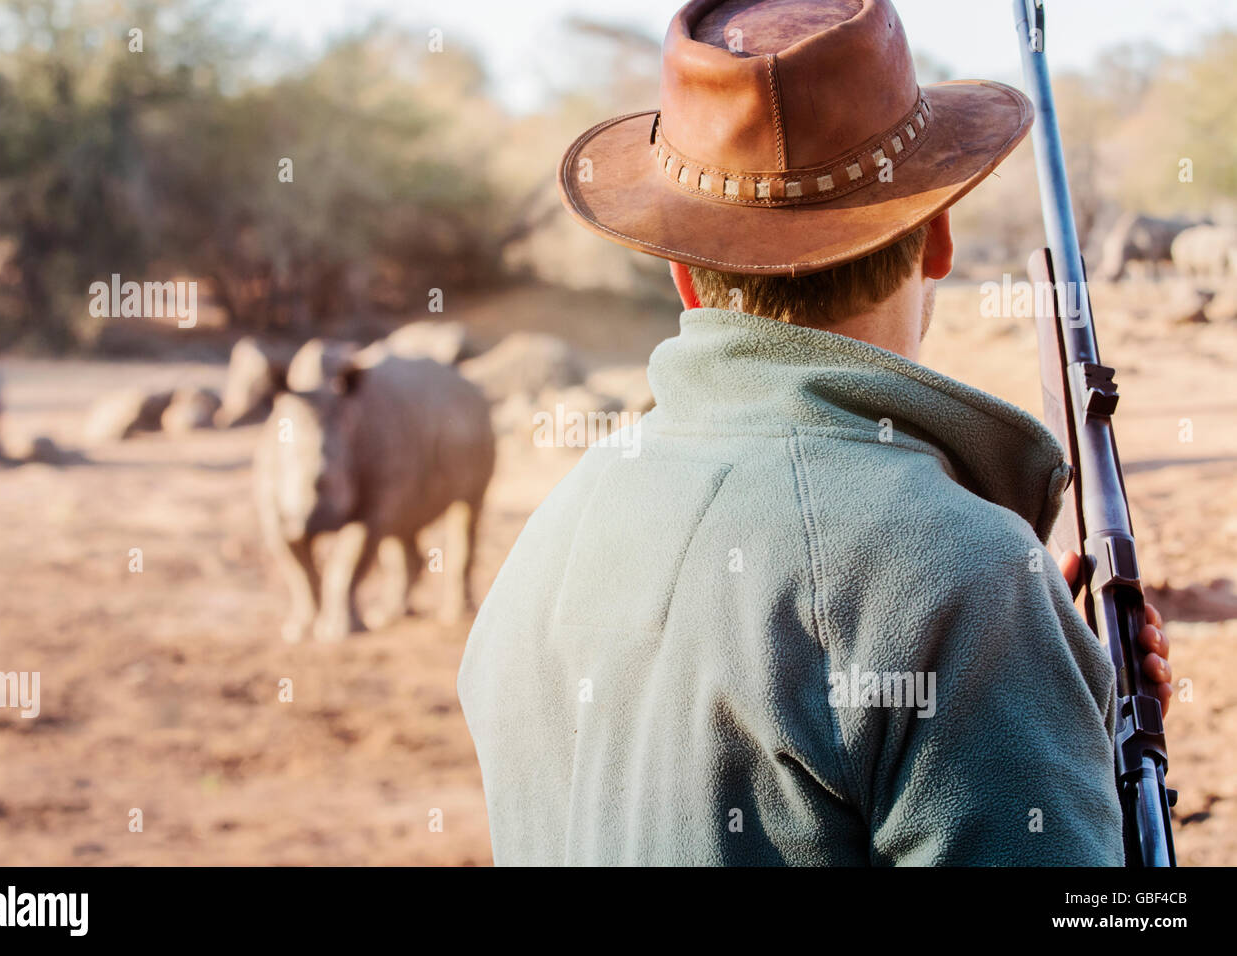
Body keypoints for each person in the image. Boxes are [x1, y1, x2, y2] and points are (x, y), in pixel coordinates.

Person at [458, 0, 1172, 865]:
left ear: (683, 274)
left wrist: (1046, 694)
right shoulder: (967, 581)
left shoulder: (546, 545)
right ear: (938, 234)